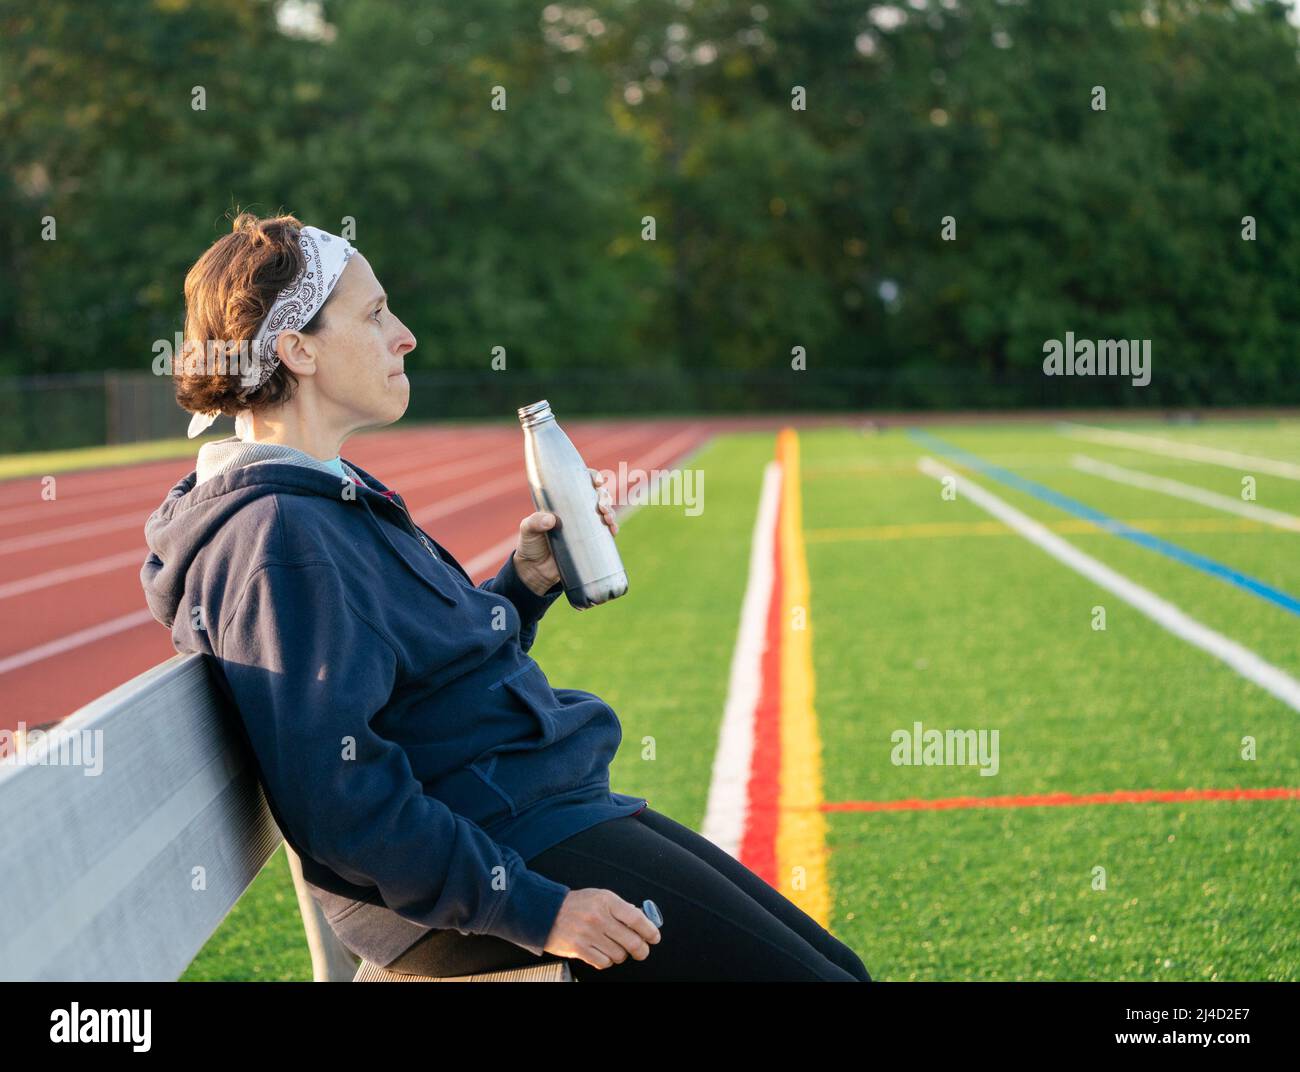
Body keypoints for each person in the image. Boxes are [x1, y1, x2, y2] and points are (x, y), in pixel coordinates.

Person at [140, 212, 869, 982]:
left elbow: (427, 683)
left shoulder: (324, 499)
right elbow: (339, 799)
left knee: (837, 969)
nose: (405, 333)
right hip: (501, 854)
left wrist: (523, 587)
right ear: (298, 350)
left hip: (536, 813)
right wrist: (536, 910)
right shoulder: (277, 535)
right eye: (375, 313)